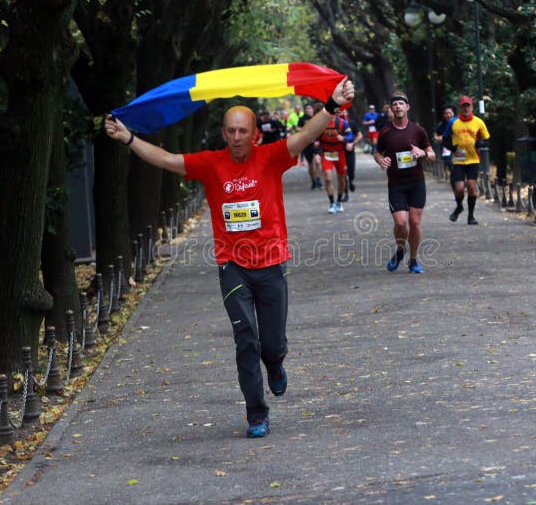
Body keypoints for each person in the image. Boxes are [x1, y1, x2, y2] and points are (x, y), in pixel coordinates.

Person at [105, 78, 355, 438]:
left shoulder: (270, 157)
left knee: (272, 344)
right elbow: (166, 159)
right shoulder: (211, 164)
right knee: (246, 340)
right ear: (223, 133)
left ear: (255, 135)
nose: (237, 137)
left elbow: (304, 136)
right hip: (232, 265)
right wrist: (128, 138)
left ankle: (276, 365)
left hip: (271, 263)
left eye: (243, 131)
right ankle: (256, 414)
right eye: (231, 131)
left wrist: (331, 106)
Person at [373, 91, 436, 273]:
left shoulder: (418, 130)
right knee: (401, 223)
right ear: (391, 109)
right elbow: (377, 152)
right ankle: (401, 249)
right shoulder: (385, 132)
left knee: (414, 222)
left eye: (401, 103)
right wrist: (380, 160)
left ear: (407, 107)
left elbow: (432, 155)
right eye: (395, 104)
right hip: (396, 184)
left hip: (416, 183)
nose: (398, 106)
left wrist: (423, 153)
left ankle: (413, 260)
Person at [449, 95, 490, 225]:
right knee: (459, 188)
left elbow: (486, 139)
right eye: (463, 106)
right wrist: (451, 147)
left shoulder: (478, 122)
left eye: (468, 106)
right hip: (459, 157)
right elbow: (445, 138)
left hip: (473, 158)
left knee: (471, 187)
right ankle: (459, 206)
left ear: (472, 107)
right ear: (460, 108)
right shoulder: (454, 122)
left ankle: (471, 216)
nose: (466, 108)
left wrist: (481, 143)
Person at [319, 106, 352, 213]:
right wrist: (315, 142)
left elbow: (350, 136)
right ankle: (332, 203)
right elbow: (314, 136)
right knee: (328, 178)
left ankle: (339, 202)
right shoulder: (321, 123)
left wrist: (344, 138)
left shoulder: (343, 123)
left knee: (341, 179)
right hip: (326, 153)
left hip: (339, 153)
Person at [298, 103, 323, 189]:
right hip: (307, 144)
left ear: (313, 109)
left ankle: (318, 180)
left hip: (317, 143)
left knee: (318, 161)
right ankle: (313, 181)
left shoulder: (317, 117)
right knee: (311, 164)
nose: (308, 110)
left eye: (310, 108)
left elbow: (321, 129)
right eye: (306, 109)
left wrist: (318, 141)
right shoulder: (302, 119)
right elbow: (298, 128)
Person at [341, 108, 363, 200]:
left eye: (345, 111)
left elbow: (360, 135)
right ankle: (346, 193)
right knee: (343, 173)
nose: (343, 113)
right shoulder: (336, 123)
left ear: (347, 113)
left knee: (350, 171)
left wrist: (352, 144)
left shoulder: (351, 123)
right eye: (341, 111)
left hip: (350, 151)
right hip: (340, 151)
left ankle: (351, 181)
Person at [434, 104, 457, 174]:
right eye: (446, 113)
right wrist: (438, 138)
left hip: (458, 147)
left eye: (450, 113)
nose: (448, 115)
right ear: (443, 115)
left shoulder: (458, 122)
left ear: (453, 113)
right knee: (449, 164)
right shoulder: (441, 125)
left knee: (459, 166)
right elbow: (436, 134)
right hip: (447, 147)